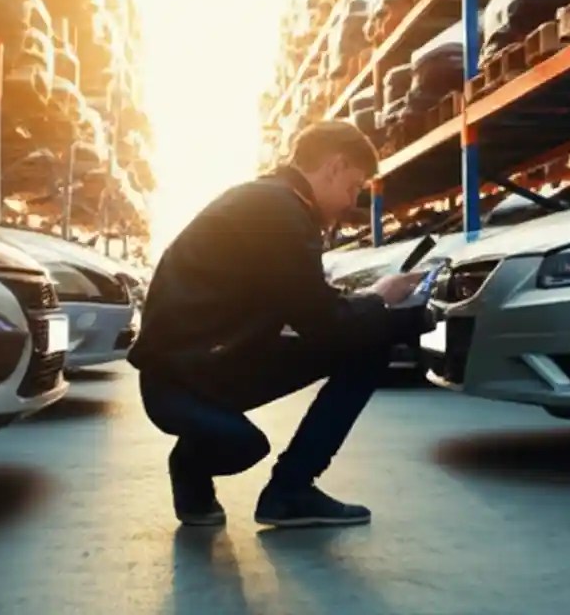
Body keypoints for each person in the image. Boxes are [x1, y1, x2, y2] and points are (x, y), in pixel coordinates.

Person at [128, 121, 433, 528]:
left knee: (365, 340)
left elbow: (305, 304)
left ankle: (241, 484)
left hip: (200, 367)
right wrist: (382, 300)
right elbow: (323, 323)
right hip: (184, 383)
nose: (350, 200)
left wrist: (369, 305)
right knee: (244, 445)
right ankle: (276, 487)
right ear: (334, 166)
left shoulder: (268, 201)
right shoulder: (279, 212)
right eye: (353, 186)